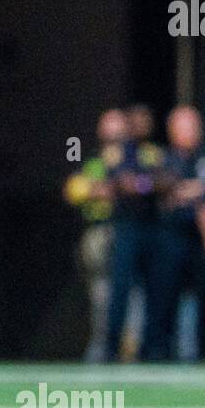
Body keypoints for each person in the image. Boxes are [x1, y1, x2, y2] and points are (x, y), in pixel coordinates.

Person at [63, 107, 127, 362]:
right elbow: (73, 190)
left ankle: (132, 349)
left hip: (130, 231)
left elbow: (145, 184)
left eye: (118, 129)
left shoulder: (142, 155)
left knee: (131, 292)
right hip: (98, 231)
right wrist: (109, 188)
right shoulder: (92, 160)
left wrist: (116, 188)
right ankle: (102, 346)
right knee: (101, 294)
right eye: (109, 129)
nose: (113, 134)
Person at [104, 103, 164, 361]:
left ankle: (152, 347)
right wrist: (148, 184)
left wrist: (145, 183)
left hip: (152, 227)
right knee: (121, 289)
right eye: (137, 120)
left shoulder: (153, 152)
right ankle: (111, 347)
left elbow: (167, 180)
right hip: (126, 227)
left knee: (156, 288)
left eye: (146, 119)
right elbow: (123, 183)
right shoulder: (116, 152)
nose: (143, 125)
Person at [151, 106, 205, 361]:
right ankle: (158, 351)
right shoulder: (163, 158)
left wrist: (189, 191)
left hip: (199, 240)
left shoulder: (203, 158)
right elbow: (163, 189)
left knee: (203, 296)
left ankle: (201, 351)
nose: (192, 132)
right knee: (164, 295)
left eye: (195, 126)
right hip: (171, 236)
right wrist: (191, 190)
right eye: (186, 126)